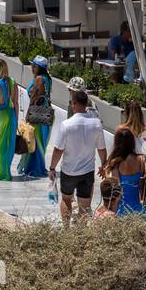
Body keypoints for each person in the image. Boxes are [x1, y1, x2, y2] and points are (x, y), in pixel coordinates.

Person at [48, 88, 108, 224]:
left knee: (66, 199)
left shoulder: (66, 125)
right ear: (86, 104)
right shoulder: (96, 124)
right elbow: (102, 149)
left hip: (69, 171)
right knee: (84, 204)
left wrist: (52, 168)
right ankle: (81, 232)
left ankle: (66, 229)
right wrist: (104, 165)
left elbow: (58, 150)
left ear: (73, 104)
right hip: (87, 171)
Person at [17, 56, 52, 178]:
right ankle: (37, 167)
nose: (32, 68)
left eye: (34, 66)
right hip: (46, 112)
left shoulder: (39, 79)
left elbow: (35, 98)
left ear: (39, 68)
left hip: (38, 113)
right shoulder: (48, 78)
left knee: (34, 140)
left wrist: (28, 115)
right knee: (40, 141)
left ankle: (34, 169)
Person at [104, 127, 146, 217]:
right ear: (132, 142)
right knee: (141, 225)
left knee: (124, 226)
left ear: (117, 143)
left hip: (122, 205)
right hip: (140, 204)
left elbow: (115, 187)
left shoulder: (115, 163)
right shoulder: (142, 159)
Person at [120, 99, 146, 193]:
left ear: (126, 113)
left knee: (125, 191)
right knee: (145, 192)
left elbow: (118, 150)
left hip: (125, 163)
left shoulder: (122, 129)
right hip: (141, 163)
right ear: (140, 113)